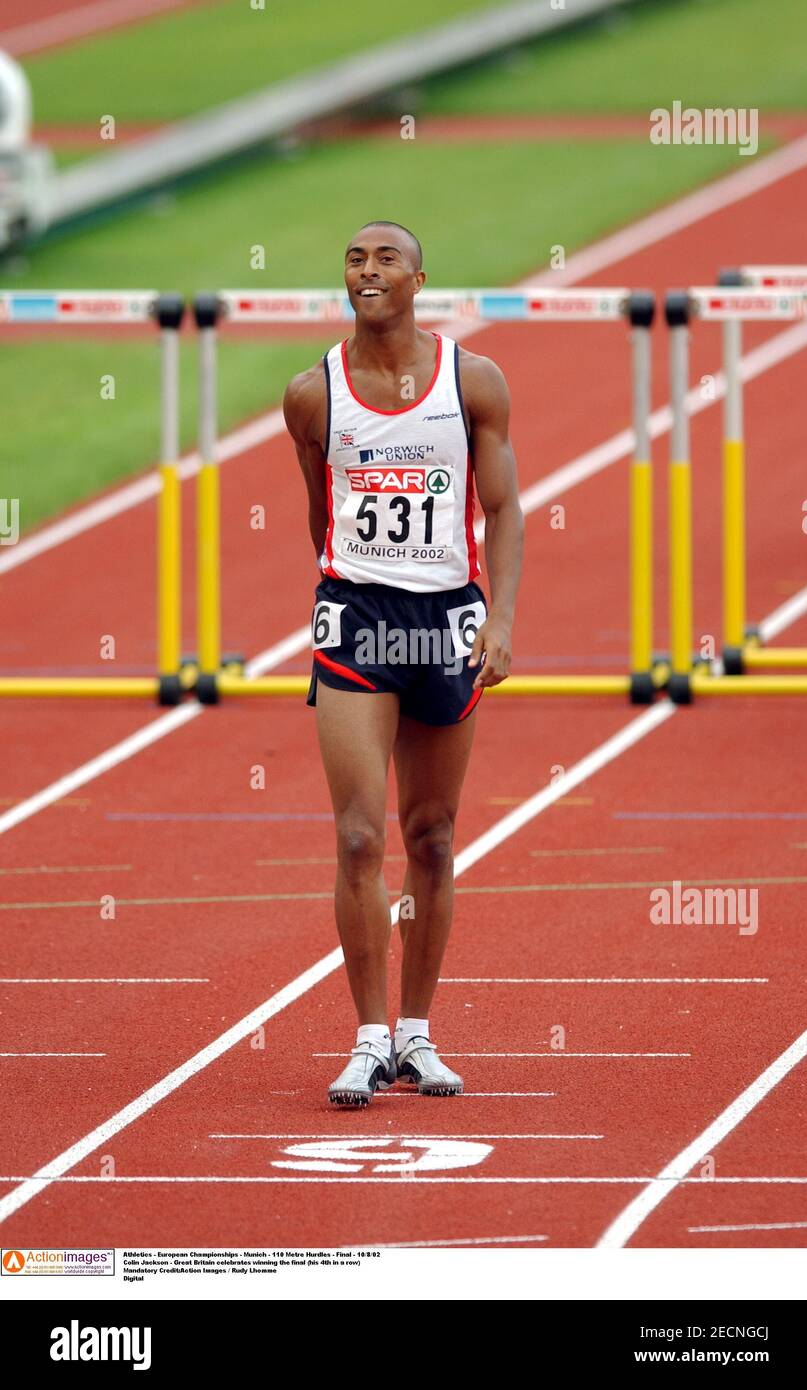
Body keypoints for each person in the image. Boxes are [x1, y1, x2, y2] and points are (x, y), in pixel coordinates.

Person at [283, 220, 523, 1106]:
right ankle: (366, 1038)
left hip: (444, 622)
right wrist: (339, 596)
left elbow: (502, 508)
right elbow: (320, 513)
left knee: (431, 835)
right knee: (357, 834)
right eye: (353, 257)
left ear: (419, 278)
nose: (367, 270)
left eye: (385, 258)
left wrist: (498, 621)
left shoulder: (473, 382)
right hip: (355, 619)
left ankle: (417, 1036)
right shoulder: (314, 394)